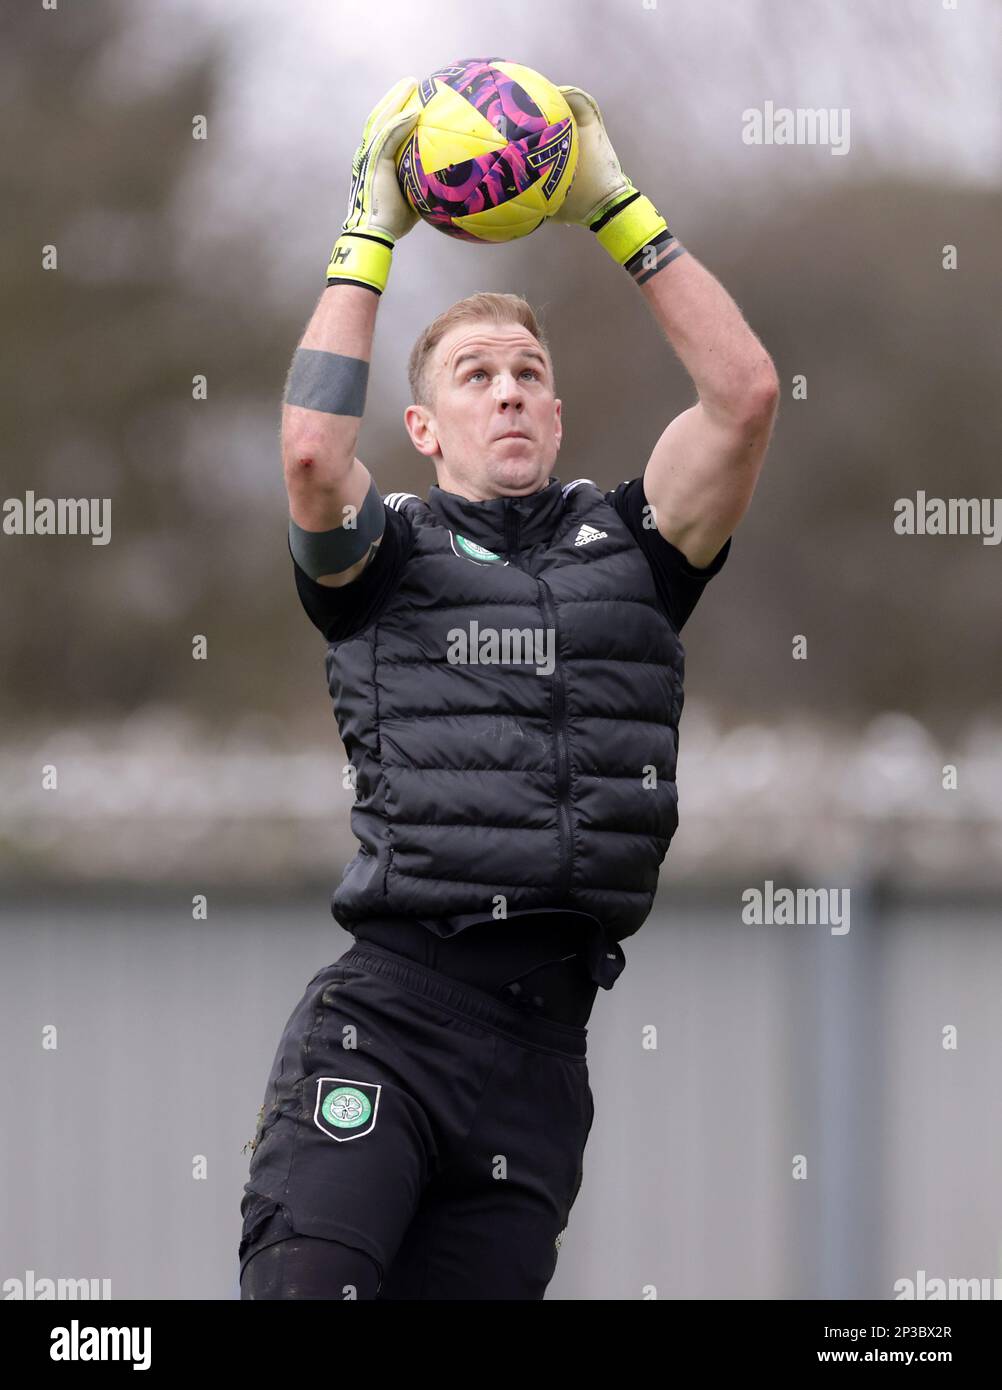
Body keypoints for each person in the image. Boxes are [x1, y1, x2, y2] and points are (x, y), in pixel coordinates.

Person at [239, 72, 778, 1301]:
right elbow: (314, 452)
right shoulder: (386, 556)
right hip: (392, 1018)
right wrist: (371, 227)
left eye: (528, 370)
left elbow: (743, 397)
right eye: (475, 377)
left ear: (560, 405)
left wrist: (614, 205)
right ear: (424, 430)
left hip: (543, 1055)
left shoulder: (637, 551)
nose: (509, 390)